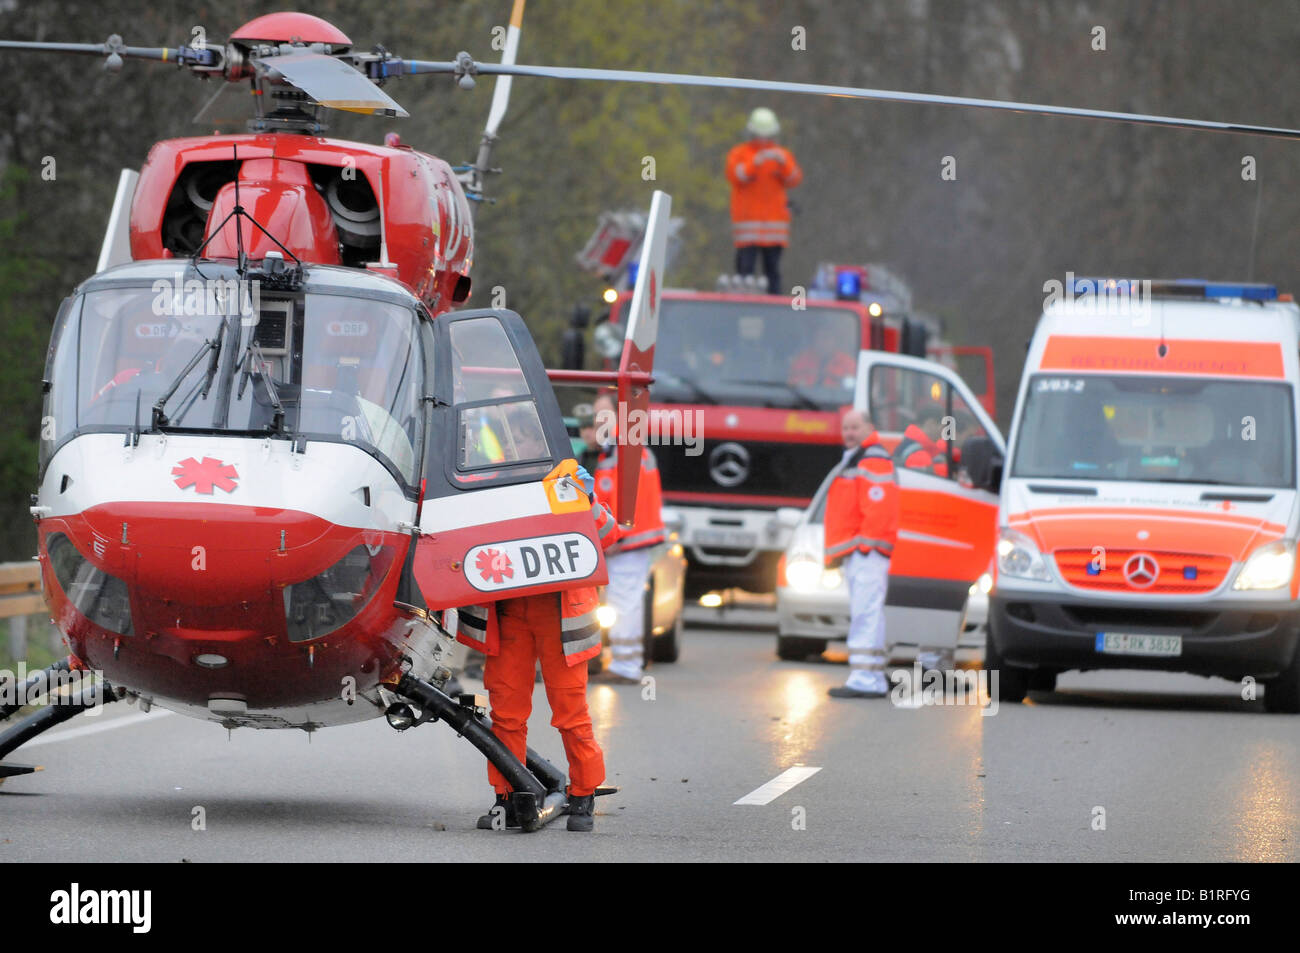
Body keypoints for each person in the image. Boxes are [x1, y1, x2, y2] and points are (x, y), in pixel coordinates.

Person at [454, 464, 620, 832]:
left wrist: (585, 498)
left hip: (559, 614)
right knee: (506, 713)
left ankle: (582, 795)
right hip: (510, 610)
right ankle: (510, 798)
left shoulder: (568, 476)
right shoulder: (487, 475)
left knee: (570, 711)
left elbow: (607, 533)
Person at [589, 391, 666, 684]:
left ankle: (626, 666)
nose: (598, 421)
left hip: (628, 541)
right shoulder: (620, 447)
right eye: (596, 415)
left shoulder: (623, 448)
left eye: (603, 415)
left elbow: (622, 499)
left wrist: (614, 537)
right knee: (626, 600)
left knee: (626, 601)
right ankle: (625, 662)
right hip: (630, 539)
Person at [823, 408, 899, 698]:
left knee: (864, 614)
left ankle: (864, 679)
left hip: (865, 550)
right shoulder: (860, 457)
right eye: (845, 428)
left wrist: (866, 546)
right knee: (869, 613)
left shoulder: (872, 459)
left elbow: (879, 507)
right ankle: (874, 675)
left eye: (855, 427)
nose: (849, 433)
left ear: (869, 427)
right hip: (862, 550)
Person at [725, 107, 802, 295]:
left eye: (768, 137)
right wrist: (755, 163)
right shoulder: (740, 154)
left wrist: (784, 163)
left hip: (774, 227)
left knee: (772, 273)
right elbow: (736, 176)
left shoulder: (782, 155)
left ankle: (775, 304)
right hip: (747, 227)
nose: (764, 142)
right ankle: (742, 304)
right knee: (744, 274)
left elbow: (794, 179)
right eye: (761, 136)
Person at [789, 322, 857, 391]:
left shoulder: (848, 363)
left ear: (835, 341)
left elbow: (852, 389)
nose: (821, 342)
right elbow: (792, 384)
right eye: (818, 338)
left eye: (826, 338)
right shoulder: (802, 360)